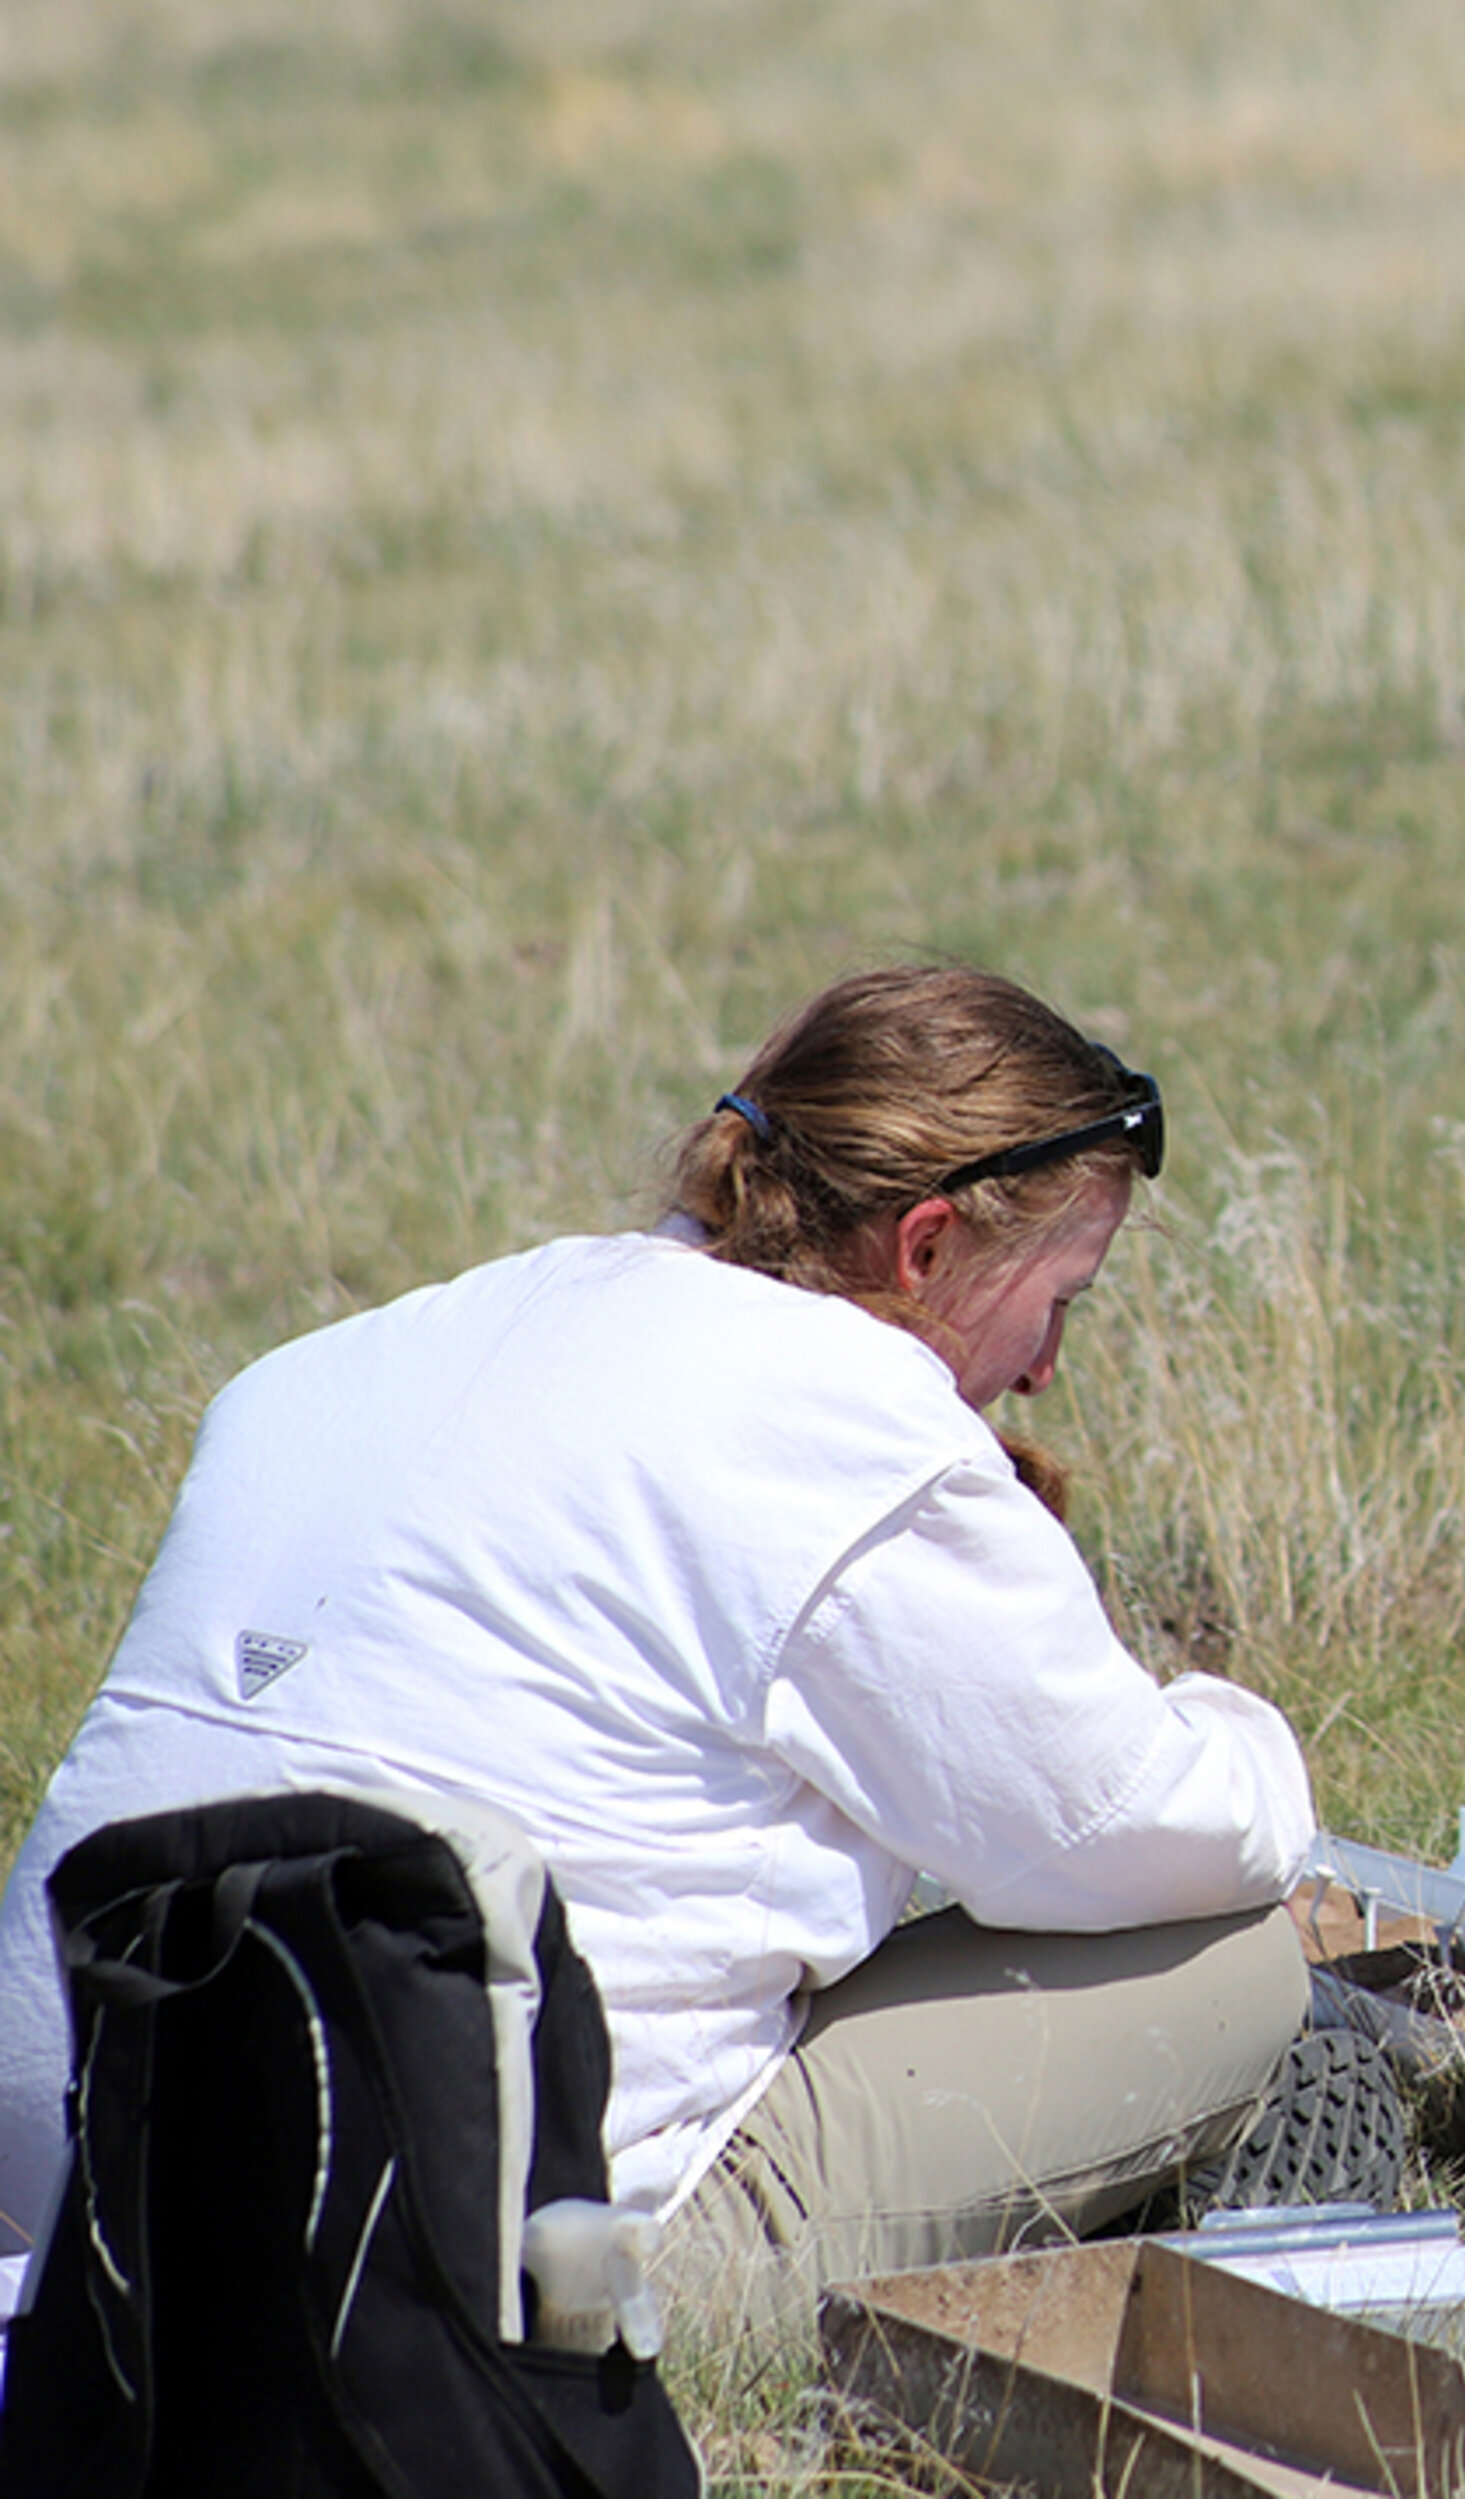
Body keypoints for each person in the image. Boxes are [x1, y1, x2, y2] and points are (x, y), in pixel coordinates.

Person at [0, 964, 1387, 2342]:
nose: (1041, 1370)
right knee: (1230, 1963)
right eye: (1060, 1298)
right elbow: (1143, 1836)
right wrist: (1230, 1722)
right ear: (925, 1247)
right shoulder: (860, 1432)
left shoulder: (351, 1352)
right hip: (463, 2278)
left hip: (69, 2184)